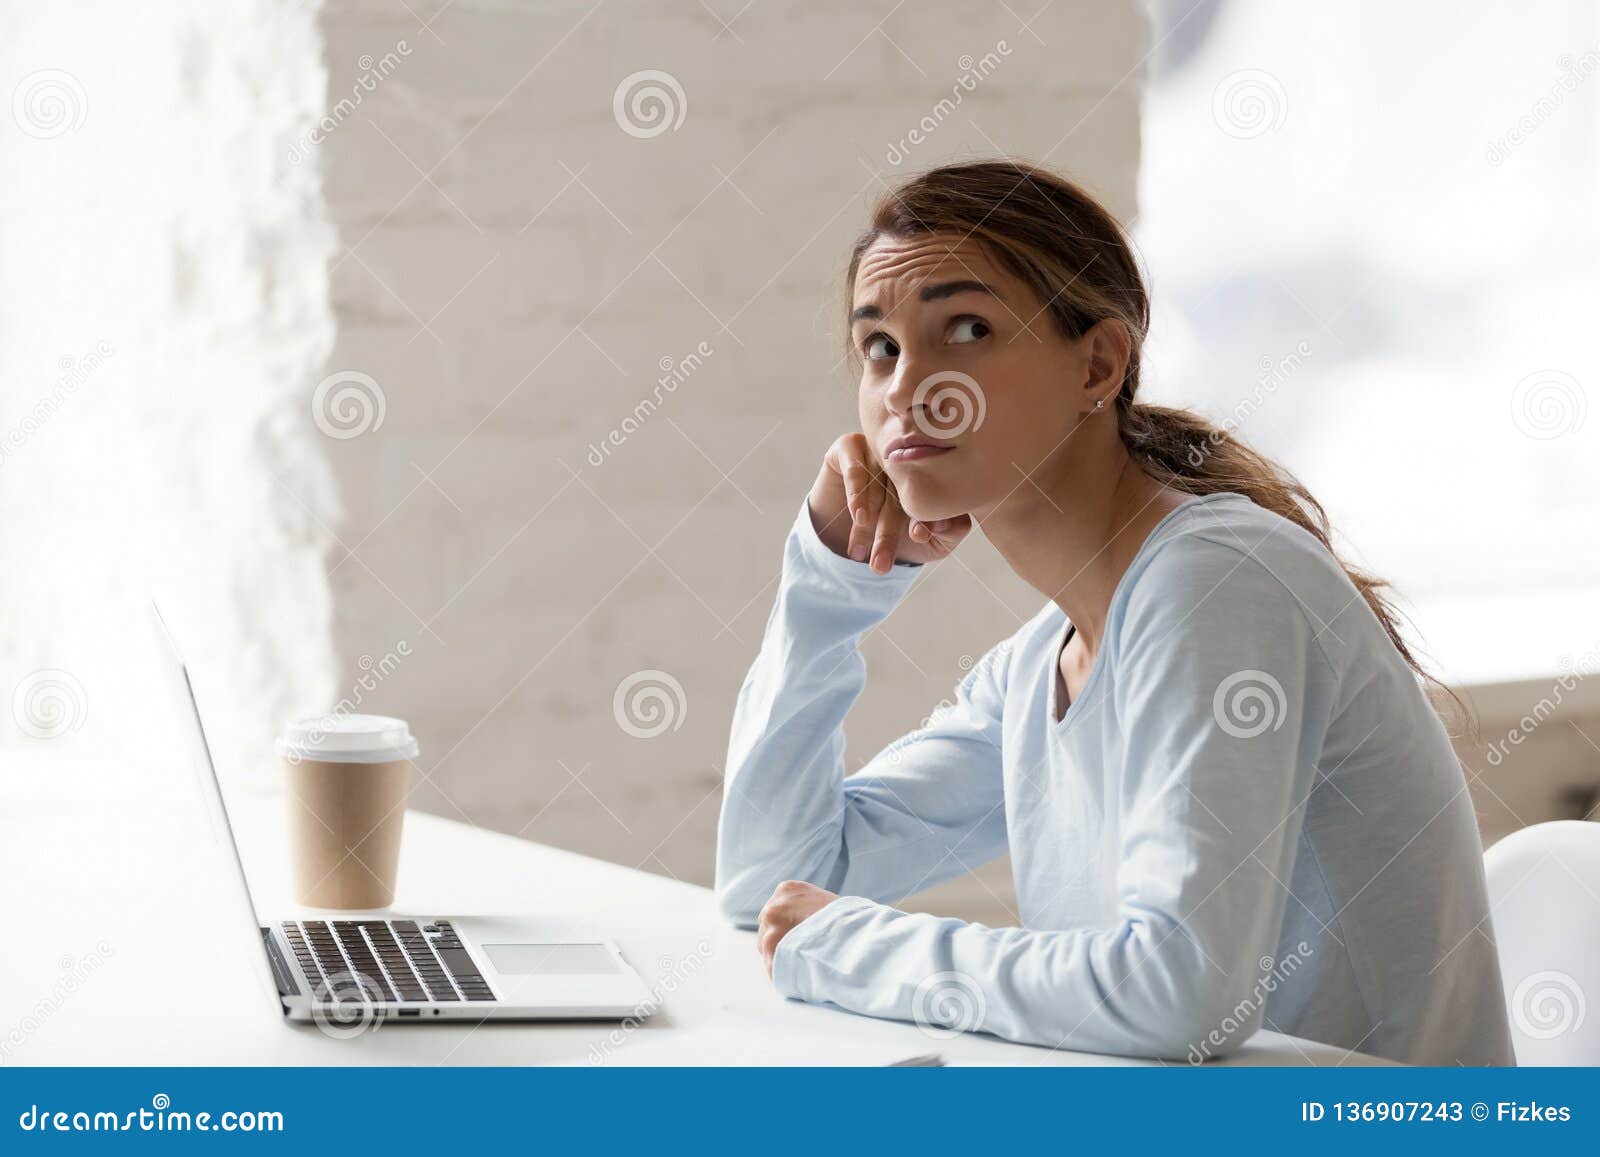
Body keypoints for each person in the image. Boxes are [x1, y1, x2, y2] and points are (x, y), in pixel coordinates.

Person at [713, 160, 1513, 1065]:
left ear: (1098, 363)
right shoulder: (1042, 665)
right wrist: (830, 584)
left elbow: (1180, 990)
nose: (905, 387)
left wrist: (847, 944)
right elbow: (770, 880)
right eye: (881, 347)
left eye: (965, 329)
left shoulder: (1217, 586)